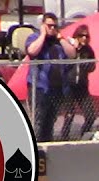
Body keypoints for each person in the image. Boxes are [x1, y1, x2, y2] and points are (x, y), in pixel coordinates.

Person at [25, 12, 74, 142]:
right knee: (38, 121)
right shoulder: (34, 37)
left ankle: (47, 146)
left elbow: (72, 54)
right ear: (43, 25)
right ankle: (35, 147)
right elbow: (32, 51)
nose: (52, 28)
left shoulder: (59, 42)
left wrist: (61, 38)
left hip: (57, 89)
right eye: (49, 25)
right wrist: (42, 35)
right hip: (39, 88)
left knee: (50, 121)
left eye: (54, 26)